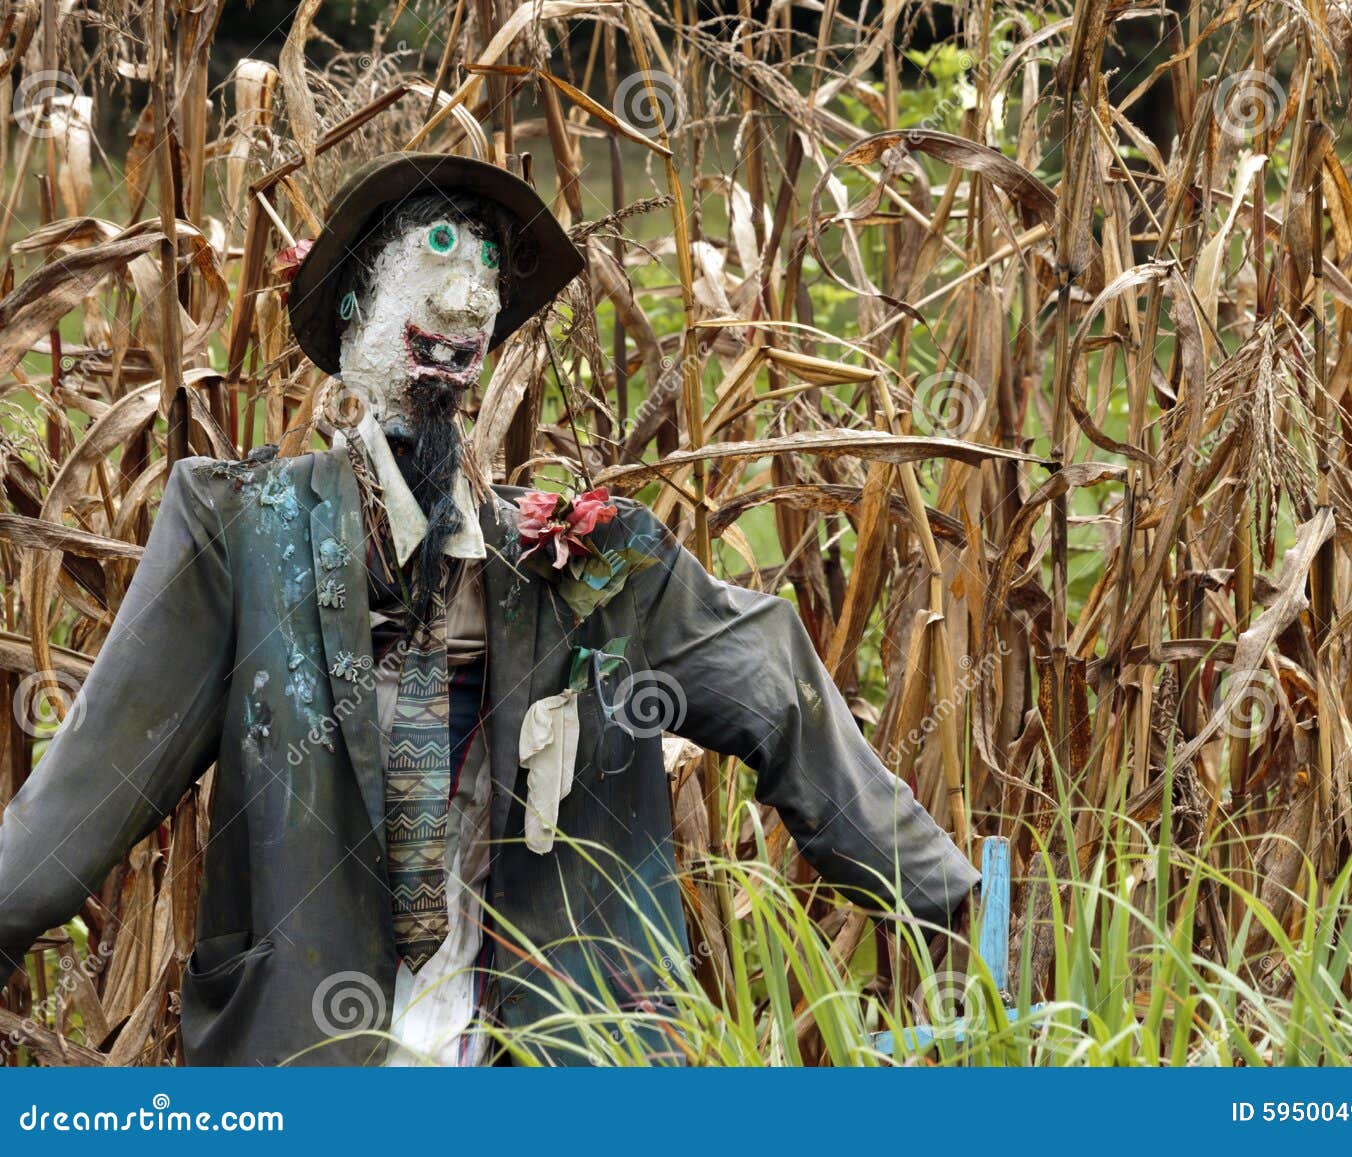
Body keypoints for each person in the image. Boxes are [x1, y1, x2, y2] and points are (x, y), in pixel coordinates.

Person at [0, 152, 977, 1065]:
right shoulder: (240, 534)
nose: (469, 295)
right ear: (350, 308)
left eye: (484, 277)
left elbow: (771, 675)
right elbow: (93, 780)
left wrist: (950, 904)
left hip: (555, 1056)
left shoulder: (592, 559)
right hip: (311, 1054)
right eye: (436, 256)